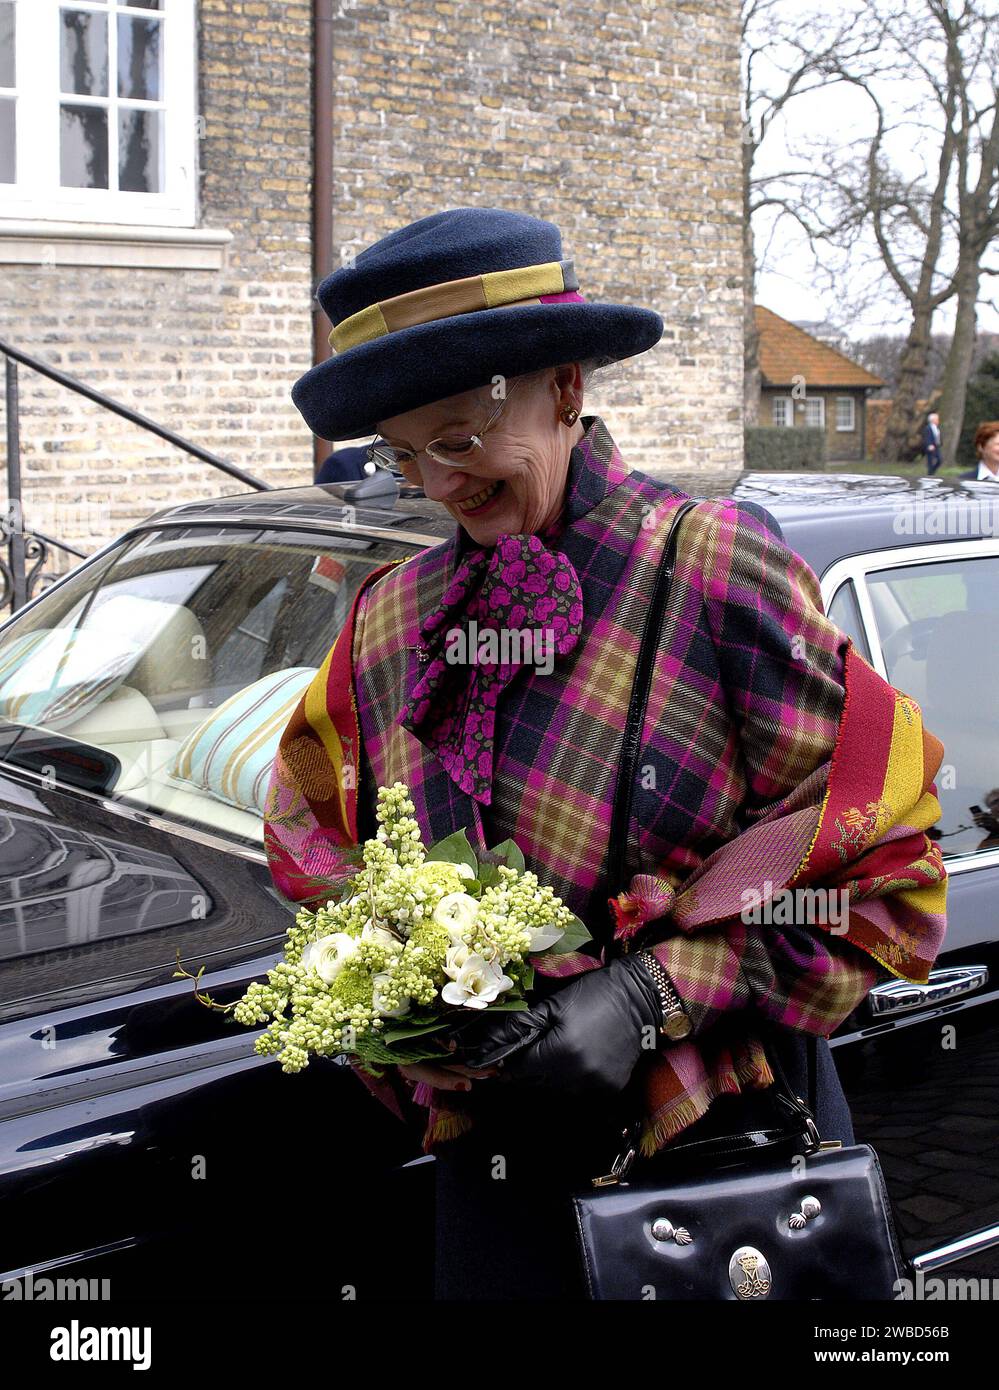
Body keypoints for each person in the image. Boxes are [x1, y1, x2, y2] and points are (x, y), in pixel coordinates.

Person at [265, 207, 949, 1300]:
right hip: (499, 1206)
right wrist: (392, 1013)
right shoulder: (388, 622)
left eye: (458, 439)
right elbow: (319, 851)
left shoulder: (714, 567)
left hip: (721, 1182)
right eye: (402, 456)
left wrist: (649, 996)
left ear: (567, 388)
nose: (437, 484)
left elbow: (890, 884)